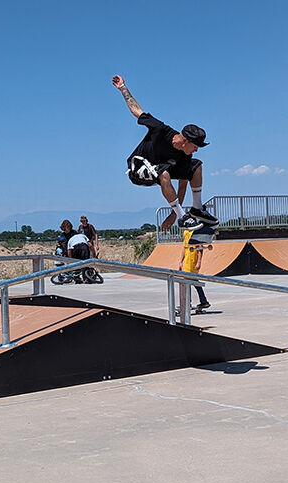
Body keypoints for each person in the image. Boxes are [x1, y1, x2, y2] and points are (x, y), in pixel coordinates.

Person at [112, 74, 218, 231]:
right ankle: (184, 217)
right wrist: (123, 88)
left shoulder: (185, 155)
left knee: (196, 166)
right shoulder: (160, 130)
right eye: (195, 146)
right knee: (163, 172)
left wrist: (174, 215)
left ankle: (196, 209)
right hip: (138, 169)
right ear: (185, 141)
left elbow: (183, 185)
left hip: (160, 170)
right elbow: (137, 111)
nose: (196, 150)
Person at [178, 229, 210, 311]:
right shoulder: (185, 232)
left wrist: (199, 262)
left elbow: (200, 249)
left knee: (187, 282)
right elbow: (184, 248)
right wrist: (181, 261)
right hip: (187, 262)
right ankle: (203, 301)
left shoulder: (196, 232)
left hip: (193, 261)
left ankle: (188, 303)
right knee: (194, 281)